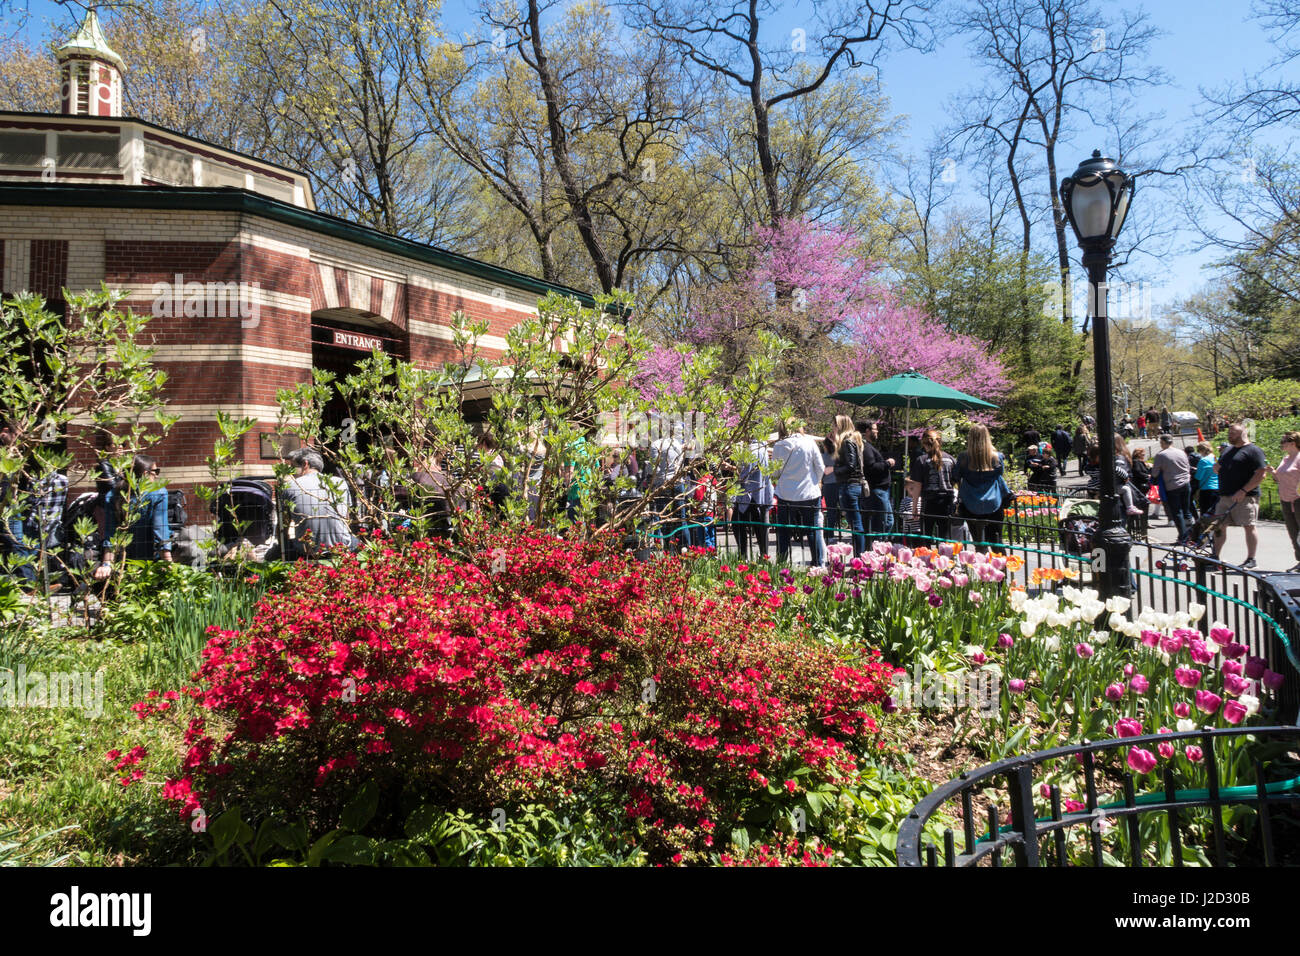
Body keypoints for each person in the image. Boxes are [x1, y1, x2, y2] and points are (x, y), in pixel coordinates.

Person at [93, 455, 173, 579]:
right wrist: (168, 562)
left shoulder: (113, 494)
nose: (157, 476)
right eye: (156, 471)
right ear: (146, 474)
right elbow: (161, 530)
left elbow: (111, 533)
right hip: (150, 557)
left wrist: (107, 563)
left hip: (123, 560)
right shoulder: (159, 492)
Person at [278, 447, 355, 559]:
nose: (291, 472)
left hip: (307, 551)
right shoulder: (340, 483)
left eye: (293, 467)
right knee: (358, 541)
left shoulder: (290, 486)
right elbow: (347, 518)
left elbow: (283, 527)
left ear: (305, 464)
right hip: (340, 548)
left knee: (275, 551)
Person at [1212, 422, 1268, 568]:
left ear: (1243, 433)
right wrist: (1216, 468)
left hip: (1246, 496)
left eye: (1233, 433)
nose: (1230, 435)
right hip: (1224, 496)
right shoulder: (1227, 450)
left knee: (1249, 526)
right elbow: (1220, 467)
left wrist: (1243, 490)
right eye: (1229, 433)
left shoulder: (1253, 451)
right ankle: (1215, 556)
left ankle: (1251, 558)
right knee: (1219, 526)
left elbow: (1261, 474)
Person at [772, 418, 826, 567]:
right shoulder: (809, 443)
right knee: (812, 530)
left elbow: (774, 472)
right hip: (809, 492)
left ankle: (782, 565)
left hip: (786, 494)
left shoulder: (779, 446)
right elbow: (820, 467)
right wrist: (817, 482)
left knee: (783, 532)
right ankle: (818, 564)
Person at [953, 424, 1007, 552]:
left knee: (978, 543)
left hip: (970, 503)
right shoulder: (997, 457)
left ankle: (982, 568)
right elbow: (1000, 475)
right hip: (994, 503)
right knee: (997, 542)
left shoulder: (963, 457)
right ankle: (1001, 570)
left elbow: (955, 477)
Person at [906, 428, 956, 543]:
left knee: (926, 535)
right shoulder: (950, 459)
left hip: (929, 501)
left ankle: (926, 558)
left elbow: (917, 485)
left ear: (924, 443)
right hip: (947, 501)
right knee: (944, 536)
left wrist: (915, 507)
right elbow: (955, 480)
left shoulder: (922, 460)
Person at [831, 415, 869, 556]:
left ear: (841, 426)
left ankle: (858, 560)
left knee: (856, 525)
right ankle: (859, 558)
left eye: (835, 425)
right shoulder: (853, 440)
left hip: (849, 486)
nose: (833, 427)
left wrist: (834, 470)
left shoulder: (847, 442)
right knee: (856, 524)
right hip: (854, 485)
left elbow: (851, 465)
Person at [732, 439, 773, 559]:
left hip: (750, 494)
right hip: (761, 493)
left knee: (738, 524)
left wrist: (734, 470)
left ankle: (743, 555)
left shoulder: (753, 450)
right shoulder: (764, 449)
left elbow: (745, 473)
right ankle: (763, 555)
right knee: (760, 526)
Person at [1149, 434, 1192, 546]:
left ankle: (1183, 537)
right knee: (1187, 511)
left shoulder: (1161, 455)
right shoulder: (1181, 452)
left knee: (1177, 512)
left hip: (1172, 485)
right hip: (1186, 483)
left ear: (1163, 442)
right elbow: (1187, 467)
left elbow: (1155, 472)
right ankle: (1192, 536)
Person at [1266, 431, 1299, 572]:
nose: (1281, 444)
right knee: (1293, 532)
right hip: (1285, 499)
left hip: (1298, 499)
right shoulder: (1285, 459)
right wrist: (1273, 473)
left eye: (1284, 441)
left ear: (1293, 443)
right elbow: (1279, 478)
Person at [859, 420, 895, 538]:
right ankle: (877, 548)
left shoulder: (868, 446)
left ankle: (880, 545)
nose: (877, 431)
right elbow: (871, 468)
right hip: (876, 491)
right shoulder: (866, 448)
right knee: (881, 524)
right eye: (875, 429)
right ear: (868, 431)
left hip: (882, 491)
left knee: (888, 521)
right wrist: (887, 463)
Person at [820, 434, 840, 543]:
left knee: (831, 510)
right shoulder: (839, 456)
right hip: (840, 484)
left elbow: (821, 473)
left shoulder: (823, 457)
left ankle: (830, 534)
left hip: (828, 485)